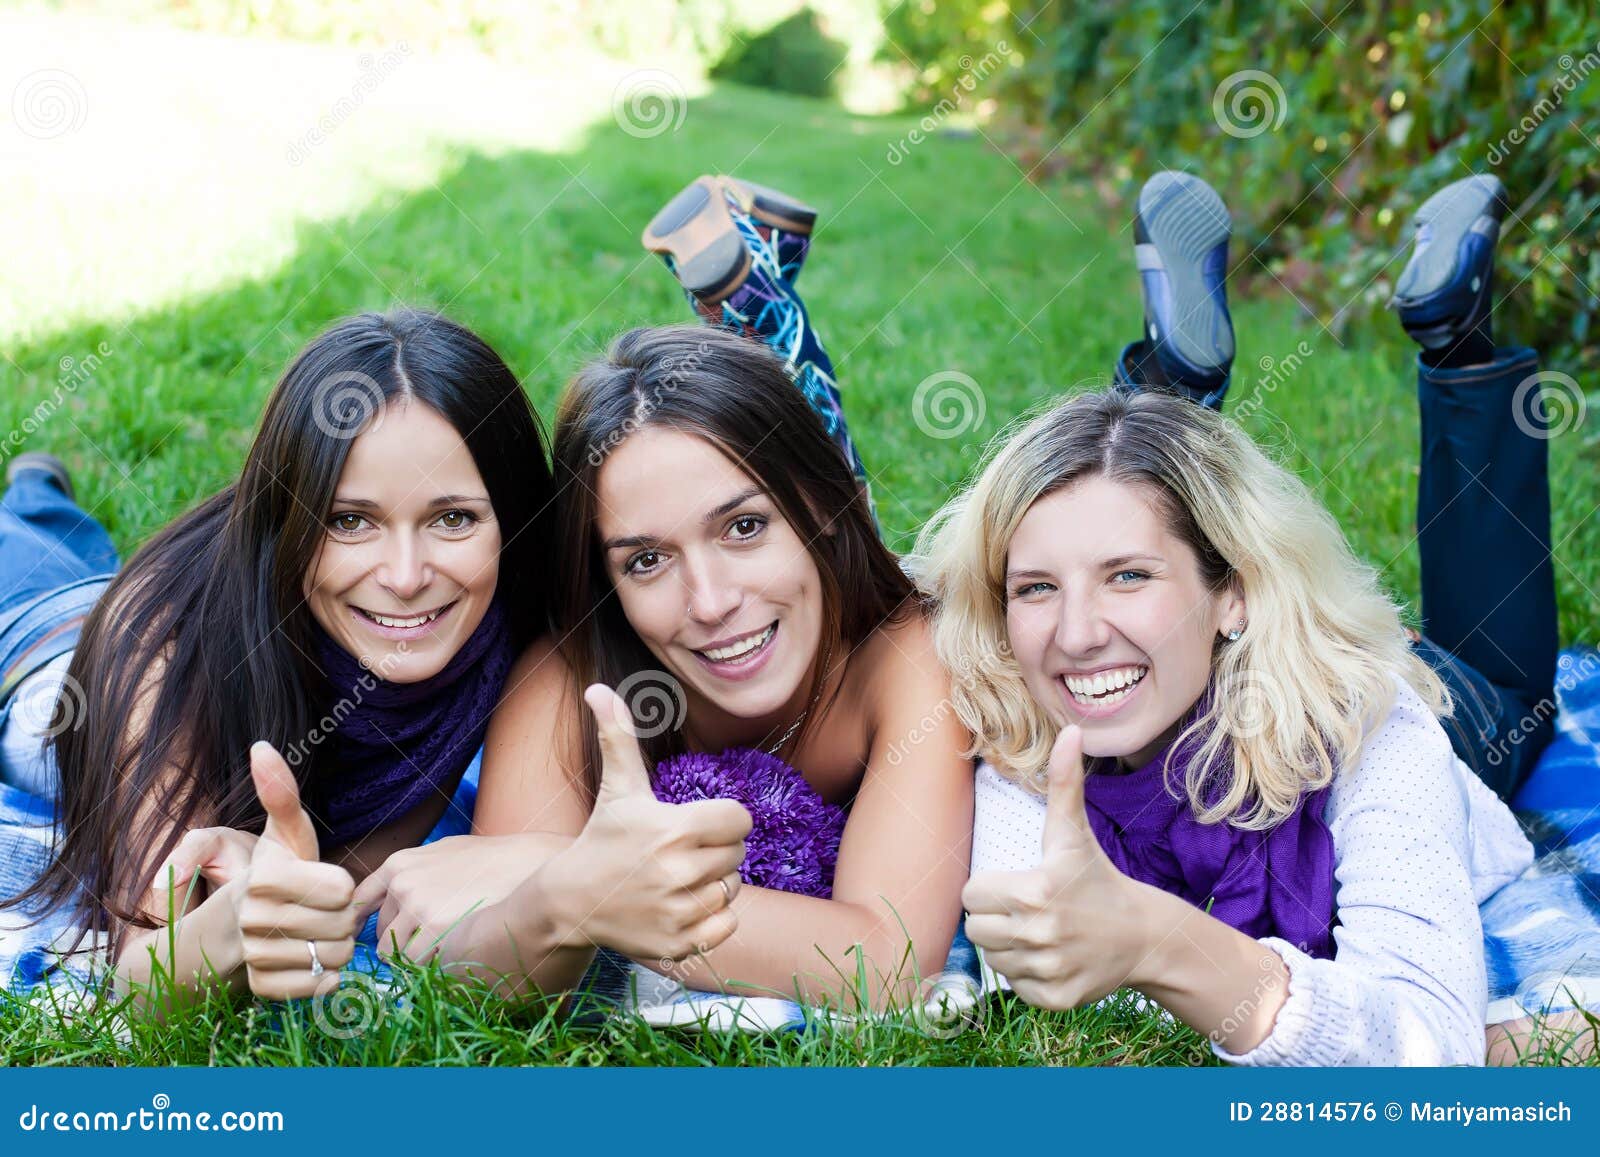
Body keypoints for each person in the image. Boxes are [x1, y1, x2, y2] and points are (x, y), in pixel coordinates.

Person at [913, 170, 1596, 1064]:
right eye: (1035, 588)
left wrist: (1162, 944)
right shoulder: (1017, 732)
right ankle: (1201, 393)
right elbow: (1044, 977)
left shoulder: (1372, 730)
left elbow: (1432, 1047)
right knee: (1140, 487)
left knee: (1509, 689)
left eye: (1127, 576)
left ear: (1234, 590)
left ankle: (1453, 342)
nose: (1073, 634)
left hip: (1408, 698)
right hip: (1228, 651)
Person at [0, 309, 748, 1008]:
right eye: (350, 521)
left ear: (512, 519)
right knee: (30, 558)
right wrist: (233, 924)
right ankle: (34, 499)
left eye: (452, 518)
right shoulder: (168, 655)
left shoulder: (521, 608)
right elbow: (139, 980)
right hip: (45, 650)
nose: (406, 576)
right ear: (288, 524)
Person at [362, 177, 975, 1011]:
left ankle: (762, 317)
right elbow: (486, 958)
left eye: (744, 527)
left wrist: (591, 887)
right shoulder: (572, 673)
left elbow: (888, 963)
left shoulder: (905, 650)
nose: (711, 600)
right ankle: (756, 310)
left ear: (815, 514)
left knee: (825, 471)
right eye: (646, 560)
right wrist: (555, 897)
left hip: (842, 561)